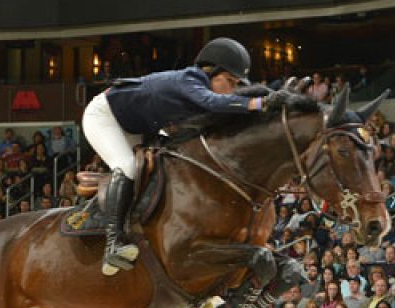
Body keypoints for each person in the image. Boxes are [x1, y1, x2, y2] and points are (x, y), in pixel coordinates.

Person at [82, 37, 272, 275]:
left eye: (236, 84)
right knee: (128, 166)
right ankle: (114, 242)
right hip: (105, 117)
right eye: (230, 81)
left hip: (140, 126)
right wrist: (259, 103)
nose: (232, 89)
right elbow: (212, 102)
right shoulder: (190, 80)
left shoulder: (200, 88)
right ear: (210, 71)